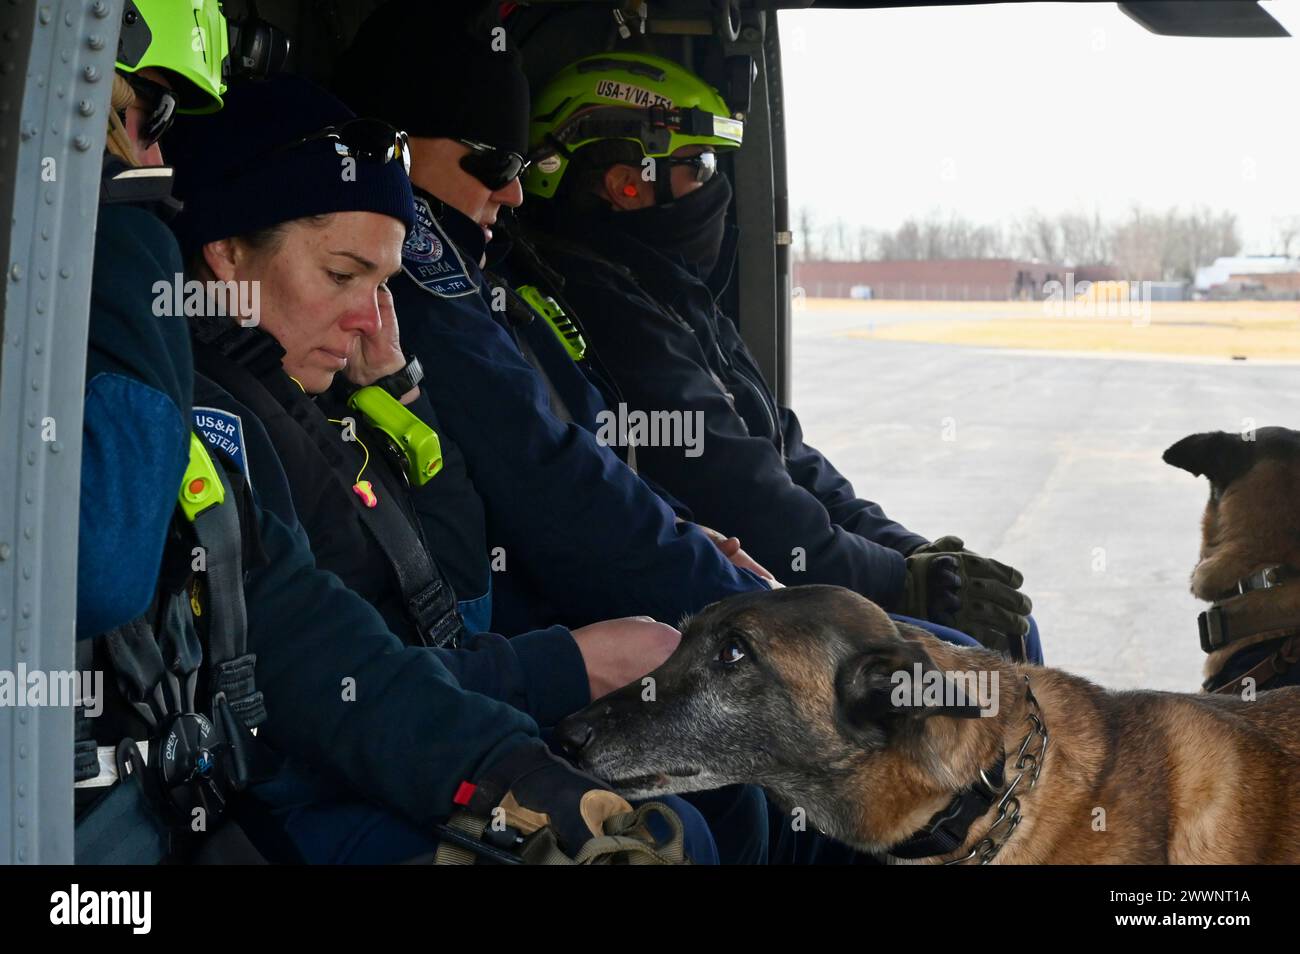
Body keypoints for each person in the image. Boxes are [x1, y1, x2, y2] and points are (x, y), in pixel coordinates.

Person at [75, 4, 705, 865]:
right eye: (343, 273)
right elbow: (126, 576)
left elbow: (433, 597)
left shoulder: (286, 405)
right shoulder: (205, 400)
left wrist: (505, 775)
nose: (157, 162)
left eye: (385, 281)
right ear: (224, 253)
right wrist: (129, 216)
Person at [521, 51, 1042, 661]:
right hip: (711, 607)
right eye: (700, 165)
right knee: (985, 652)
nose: (715, 189)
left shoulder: (672, 295)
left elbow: (788, 454)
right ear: (626, 182)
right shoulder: (609, 310)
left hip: (765, 578)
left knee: (1002, 622)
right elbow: (744, 498)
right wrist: (898, 581)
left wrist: (917, 556)